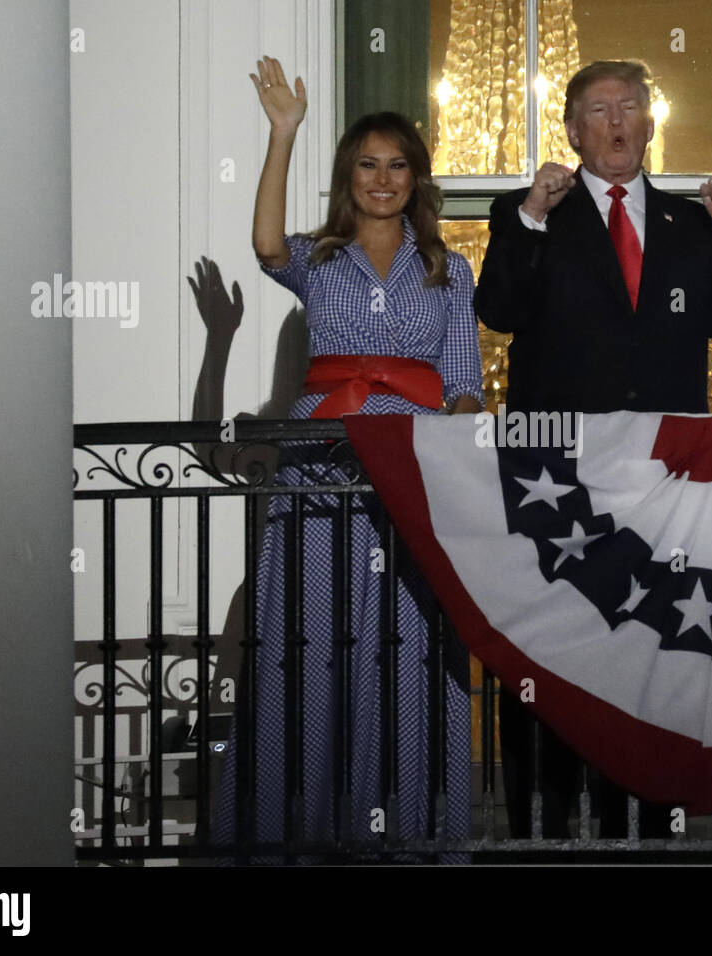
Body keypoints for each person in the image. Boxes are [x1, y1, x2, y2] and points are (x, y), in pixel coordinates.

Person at [474, 60, 712, 841]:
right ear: (571, 131)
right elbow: (498, 308)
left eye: (629, 108)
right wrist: (533, 216)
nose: (615, 121)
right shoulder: (529, 212)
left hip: (662, 489)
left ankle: (643, 833)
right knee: (553, 649)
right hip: (559, 489)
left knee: (651, 652)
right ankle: (540, 833)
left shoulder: (692, 226)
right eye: (598, 110)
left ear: (647, 126)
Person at [213, 56, 483, 861]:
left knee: (407, 648)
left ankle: (408, 833)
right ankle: (291, 832)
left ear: (417, 179)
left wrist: (466, 440)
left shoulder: (449, 269)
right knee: (311, 639)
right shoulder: (319, 258)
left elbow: (463, 383)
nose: (382, 178)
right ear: (348, 177)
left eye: (397, 165)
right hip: (318, 474)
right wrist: (282, 133)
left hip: (408, 476)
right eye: (367, 164)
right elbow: (264, 246)